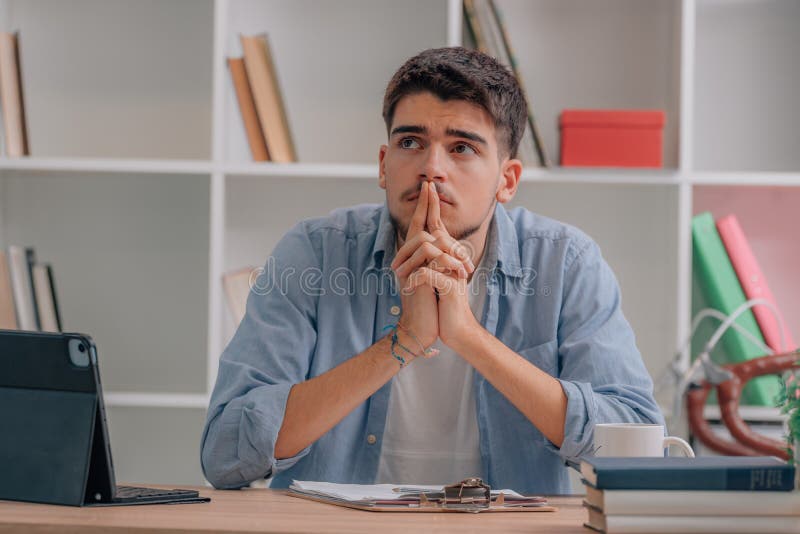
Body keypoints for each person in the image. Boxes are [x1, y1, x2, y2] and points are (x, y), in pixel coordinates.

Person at [201, 47, 663, 494]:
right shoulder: (314, 254)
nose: (431, 168)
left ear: (506, 180)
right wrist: (403, 341)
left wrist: (468, 336)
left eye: (462, 148)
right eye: (410, 143)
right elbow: (225, 453)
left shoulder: (567, 263)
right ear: (384, 166)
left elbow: (638, 447)